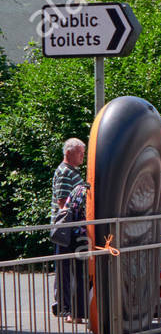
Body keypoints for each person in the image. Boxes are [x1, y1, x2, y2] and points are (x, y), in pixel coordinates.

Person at [51, 137, 88, 320]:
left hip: (71, 228)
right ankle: (67, 310)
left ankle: (68, 308)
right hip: (67, 229)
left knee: (69, 270)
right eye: (79, 152)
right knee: (67, 270)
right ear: (68, 153)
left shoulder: (71, 171)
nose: (83, 156)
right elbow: (62, 203)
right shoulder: (66, 172)